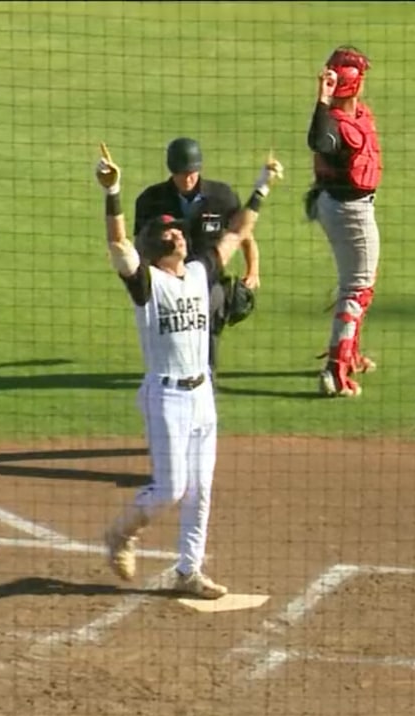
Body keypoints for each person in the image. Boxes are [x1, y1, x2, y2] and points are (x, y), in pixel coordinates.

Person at [94, 142, 283, 599]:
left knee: (201, 490)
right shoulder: (147, 286)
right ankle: (121, 532)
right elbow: (119, 243)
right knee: (171, 489)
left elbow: (237, 234)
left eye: (179, 234)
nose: (179, 236)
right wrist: (113, 190)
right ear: (157, 248)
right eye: (170, 235)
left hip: (202, 395)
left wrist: (261, 186)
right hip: (166, 397)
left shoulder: (200, 272)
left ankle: (189, 571)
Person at [135, 138, 261, 372]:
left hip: (208, 274)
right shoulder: (150, 200)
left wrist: (253, 270)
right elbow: (141, 246)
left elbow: (243, 233)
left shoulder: (221, 196)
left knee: (207, 323)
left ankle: (206, 375)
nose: (188, 178)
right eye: (182, 173)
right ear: (172, 171)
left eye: (193, 172)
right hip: (168, 281)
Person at [306, 45, 383, 398]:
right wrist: (322, 100)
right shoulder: (334, 126)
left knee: (358, 282)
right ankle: (335, 372)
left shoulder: (357, 115)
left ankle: (348, 354)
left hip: (341, 205)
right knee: (358, 288)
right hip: (348, 211)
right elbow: (318, 140)